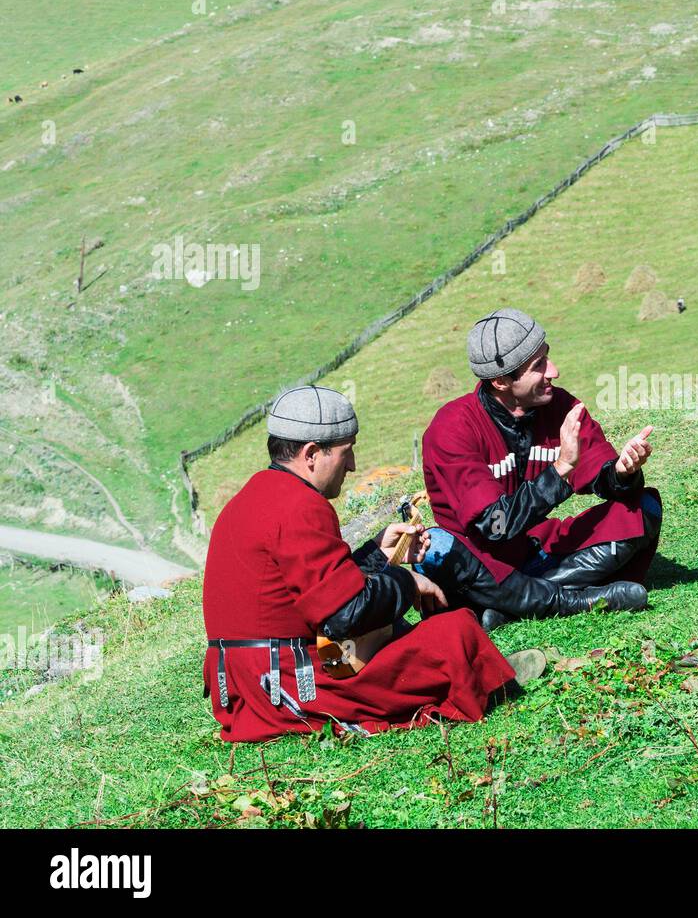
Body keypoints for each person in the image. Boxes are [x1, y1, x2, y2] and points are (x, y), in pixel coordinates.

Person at [202, 385, 519, 742]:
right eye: (346, 452)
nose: (351, 466)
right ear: (311, 454)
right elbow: (344, 616)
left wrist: (377, 554)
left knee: (401, 629)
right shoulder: (301, 506)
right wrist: (408, 582)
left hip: (246, 686)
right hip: (285, 686)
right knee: (453, 631)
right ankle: (492, 678)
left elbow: (312, 590)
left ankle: (486, 671)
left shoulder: (251, 497)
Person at [420, 308, 663, 631]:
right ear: (501, 381)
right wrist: (561, 469)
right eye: (539, 366)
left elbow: (603, 476)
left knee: (643, 508)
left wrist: (622, 472)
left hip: (534, 547)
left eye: (547, 357)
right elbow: (495, 526)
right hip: (480, 565)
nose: (555, 371)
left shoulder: (559, 406)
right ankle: (574, 601)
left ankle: (512, 607)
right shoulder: (452, 428)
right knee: (434, 547)